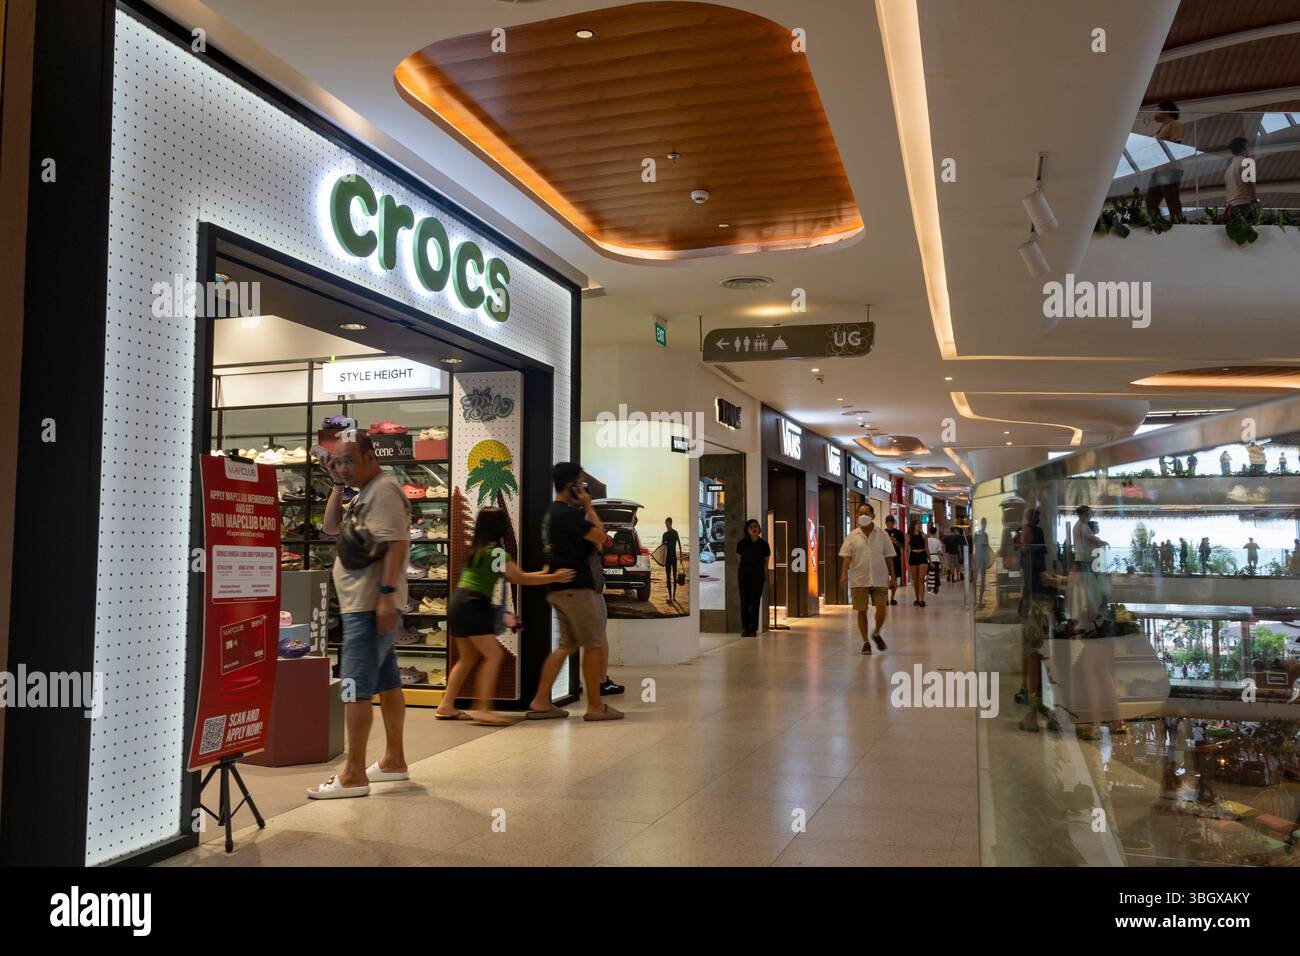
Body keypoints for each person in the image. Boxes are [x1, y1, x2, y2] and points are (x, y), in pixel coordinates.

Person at [309, 432, 412, 799]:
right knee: (388, 684)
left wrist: (384, 597)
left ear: (371, 455)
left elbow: (396, 544)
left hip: (367, 607)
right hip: (365, 605)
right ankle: (393, 761)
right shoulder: (364, 491)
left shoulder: (383, 490)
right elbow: (330, 528)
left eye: (349, 460)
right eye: (337, 461)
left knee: (355, 687)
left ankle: (353, 774)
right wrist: (337, 483)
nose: (343, 467)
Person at [437, 507, 574, 725]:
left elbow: (515, 576)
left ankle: (446, 705)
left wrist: (548, 574)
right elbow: (520, 578)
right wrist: (554, 576)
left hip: (458, 603)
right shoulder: (497, 553)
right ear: (500, 527)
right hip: (473, 605)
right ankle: (483, 709)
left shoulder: (478, 551)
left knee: (468, 658)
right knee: (494, 656)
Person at [526, 462, 621, 722]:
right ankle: (595, 706)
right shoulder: (568, 515)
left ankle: (541, 701)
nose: (584, 488)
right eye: (581, 483)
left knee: (566, 645)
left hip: (559, 588)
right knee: (594, 643)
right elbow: (601, 537)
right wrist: (589, 506)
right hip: (577, 589)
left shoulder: (551, 513)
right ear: (572, 486)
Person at [838, 503, 895, 655]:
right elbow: (846, 557)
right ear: (856, 516)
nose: (863, 516)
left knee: (881, 608)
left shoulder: (883, 535)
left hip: (880, 577)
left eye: (866, 513)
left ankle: (876, 632)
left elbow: (889, 557)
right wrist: (843, 574)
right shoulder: (852, 536)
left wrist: (893, 577)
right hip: (860, 577)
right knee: (861, 610)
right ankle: (866, 642)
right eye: (860, 513)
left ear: (873, 516)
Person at [1144, 100, 1185, 222]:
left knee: (1171, 198)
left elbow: (1176, 143)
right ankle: (1160, 225)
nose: (1155, 114)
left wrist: (1155, 142)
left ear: (1167, 111)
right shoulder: (1162, 128)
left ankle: (1177, 224)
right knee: (1150, 202)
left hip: (1169, 169)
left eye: (1157, 110)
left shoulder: (1174, 124)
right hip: (1159, 170)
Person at [736, 518, 770, 636]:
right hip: (744, 577)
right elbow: (739, 560)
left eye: (756, 526)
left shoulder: (764, 544)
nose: (754, 528)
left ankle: (753, 629)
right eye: (751, 527)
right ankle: (745, 628)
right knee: (745, 603)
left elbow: (766, 562)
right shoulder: (742, 543)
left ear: (759, 529)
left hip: (758, 577)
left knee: (755, 603)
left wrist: (759, 572)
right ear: (747, 530)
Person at [1223, 137, 1257, 222]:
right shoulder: (1247, 162)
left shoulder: (1229, 169)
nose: (1249, 150)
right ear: (1244, 148)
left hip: (1230, 207)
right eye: (1248, 148)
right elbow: (1248, 183)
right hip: (1244, 205)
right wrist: (1254, 202)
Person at [906, 519, 929, 606]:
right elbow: (906, 550)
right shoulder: (908, 536)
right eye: (917, 524)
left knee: (921, 579)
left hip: (922, 556)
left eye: (920, 524)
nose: (919, 525)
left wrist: (930, 560)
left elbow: (927, 548)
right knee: (915, 580)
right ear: (913, 525)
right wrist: (906, 563)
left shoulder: (924, 535)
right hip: (913, 556)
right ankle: (917, 599)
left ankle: (922, 599)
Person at [884, 515, 906, 606]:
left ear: (894, 523)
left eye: (891, 523)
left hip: (895, 557)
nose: (890, 524)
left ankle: (892, 598)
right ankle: (885, 598)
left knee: (894, 578)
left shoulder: (899, 533)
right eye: (888, 523)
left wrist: (895, 542)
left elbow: (903, 546)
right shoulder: (882, 533)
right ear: (886, 523)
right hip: (884, 557)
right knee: (884, 578)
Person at [661, 516, 682, 604]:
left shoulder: (670, 534)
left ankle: (673, 596)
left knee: (673, 577)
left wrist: (680, 557)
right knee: (669, 577)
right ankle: (671, 597)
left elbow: (679, 545)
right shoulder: (669, 533)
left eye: (667, 523)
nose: (666, 525)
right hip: (670, 558)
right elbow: (663, 548)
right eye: (665, 524)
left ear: (670, 523)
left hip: (671, 558)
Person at [973, 518, 992, 606]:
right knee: (976, 579)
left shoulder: (984, 534)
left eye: (985, 523)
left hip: (982, 559)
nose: (985, 525)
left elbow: (987, 548)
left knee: (982, 580)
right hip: (978, 558)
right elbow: (975, 546)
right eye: (984, 523)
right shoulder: (978, 534)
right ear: (982, 524)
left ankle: (979, 600)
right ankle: (976, 599)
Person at [926, 526, 944, 594]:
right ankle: (936, 587)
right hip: (936, 558)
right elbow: (939, 552)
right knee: (936, 573)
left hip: (928, 558)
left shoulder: (926, 540)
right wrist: (942, 562)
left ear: (929, 532)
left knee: (929, 573)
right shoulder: (938, 541)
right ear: (936, 532)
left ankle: (929, 587)